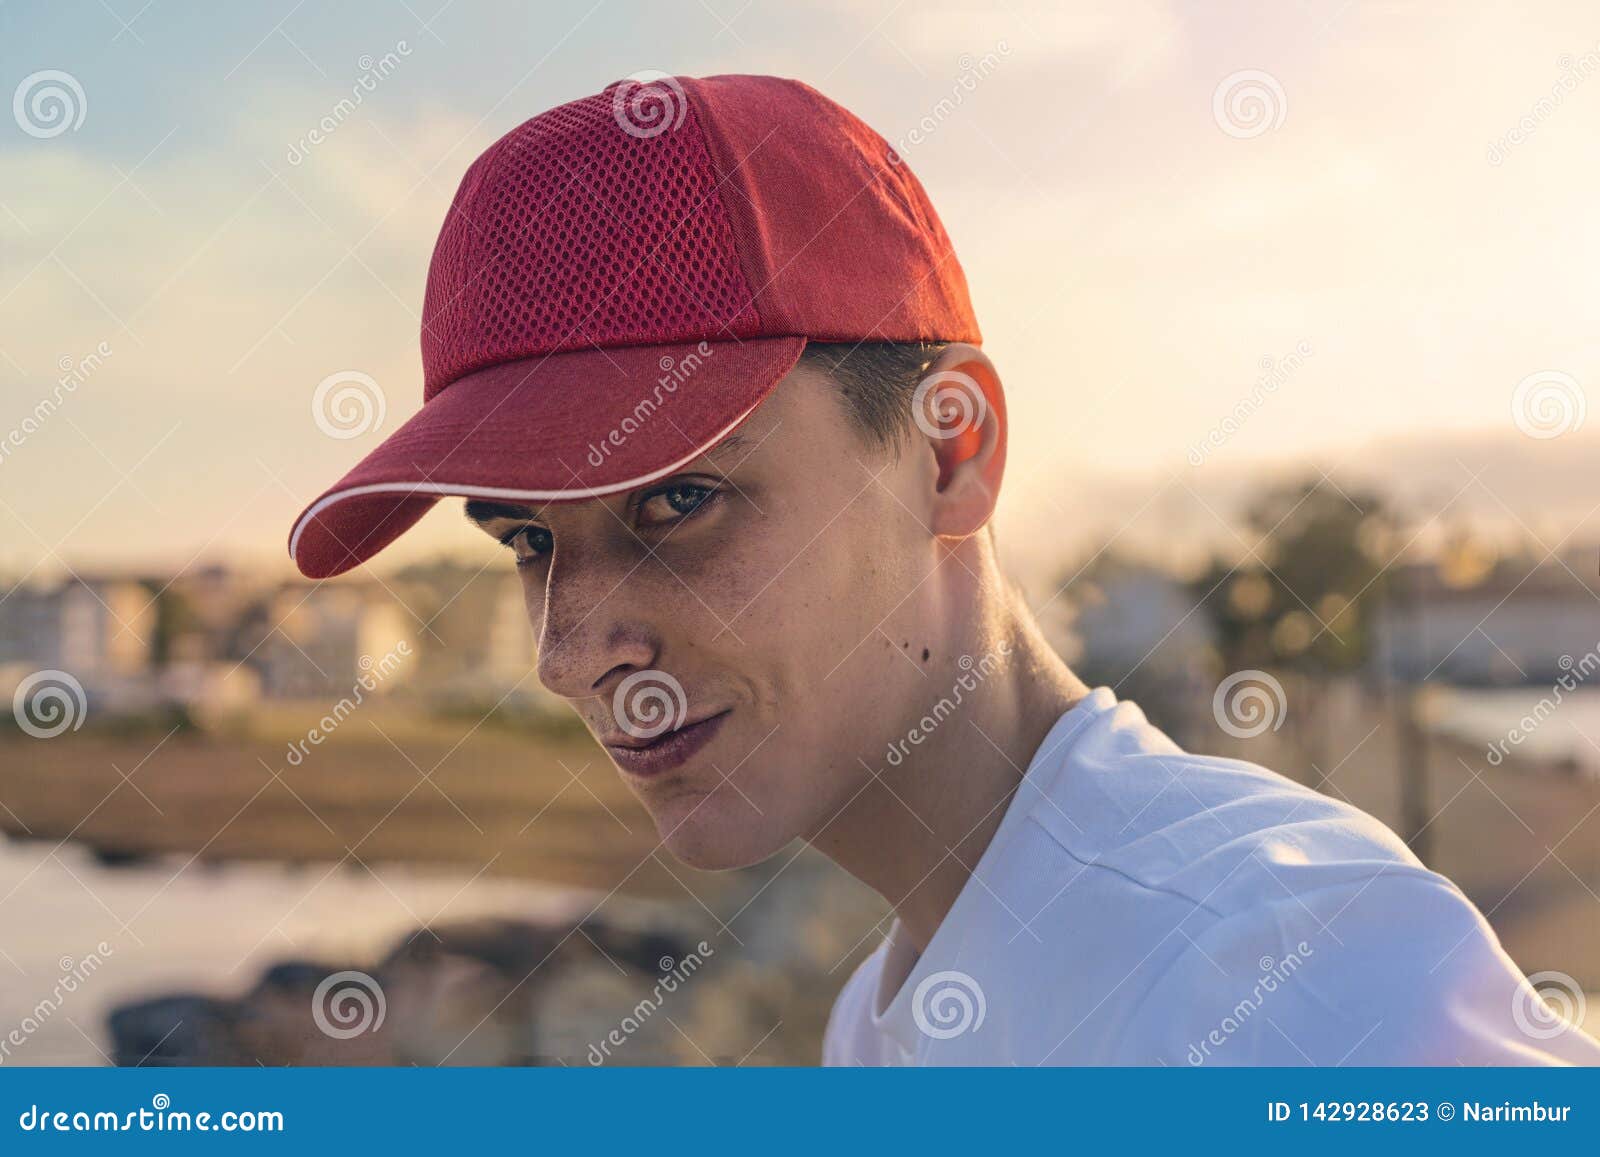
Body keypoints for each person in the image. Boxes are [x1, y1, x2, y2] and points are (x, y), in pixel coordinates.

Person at [289, 74, 1600, 1066]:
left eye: (678, 499)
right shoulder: (884, 1014)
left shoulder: (1292, 979)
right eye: (529, 539)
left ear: (949, 454)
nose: (568, 651)